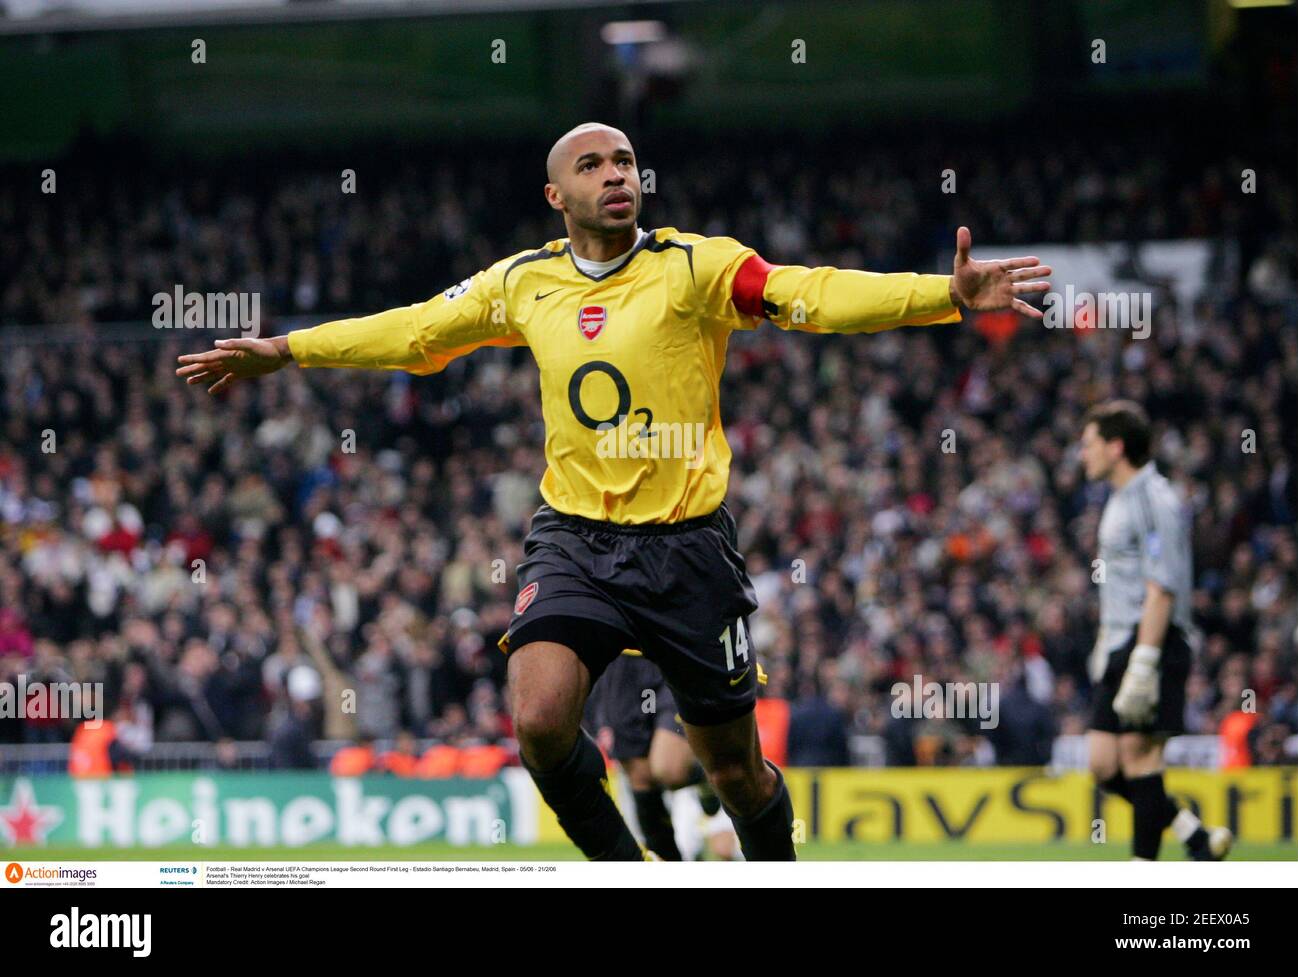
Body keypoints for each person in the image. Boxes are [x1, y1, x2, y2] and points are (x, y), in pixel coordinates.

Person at [176, 122, 1049, 860]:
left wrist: (944, 293)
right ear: (556, 195)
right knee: (539, 720)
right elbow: (415, 333)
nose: (616, 176)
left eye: (625, 162)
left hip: (688, 548)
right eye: (592, 166)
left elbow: (809, 294)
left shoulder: (695, 268)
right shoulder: (524, 283)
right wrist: (288, 348)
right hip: (575, 540)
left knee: (735, 772)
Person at [1078, 400, 1232, 860]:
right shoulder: (1121, 497)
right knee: (1104, 766)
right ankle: (1195, 837)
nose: (1082, 453)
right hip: (1122, 640)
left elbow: (1162, 587)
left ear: (1116, 447)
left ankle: (1144, 867)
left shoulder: (1153, 498)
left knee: (1141, 759)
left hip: (1153, 639)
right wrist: (1108, 643)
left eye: (1089, 444)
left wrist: (1144, 662)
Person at [586, 650, 734, 861]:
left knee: (669, 769)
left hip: (670, 651)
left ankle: (706, 780)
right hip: (621, 663)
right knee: (641, 778)